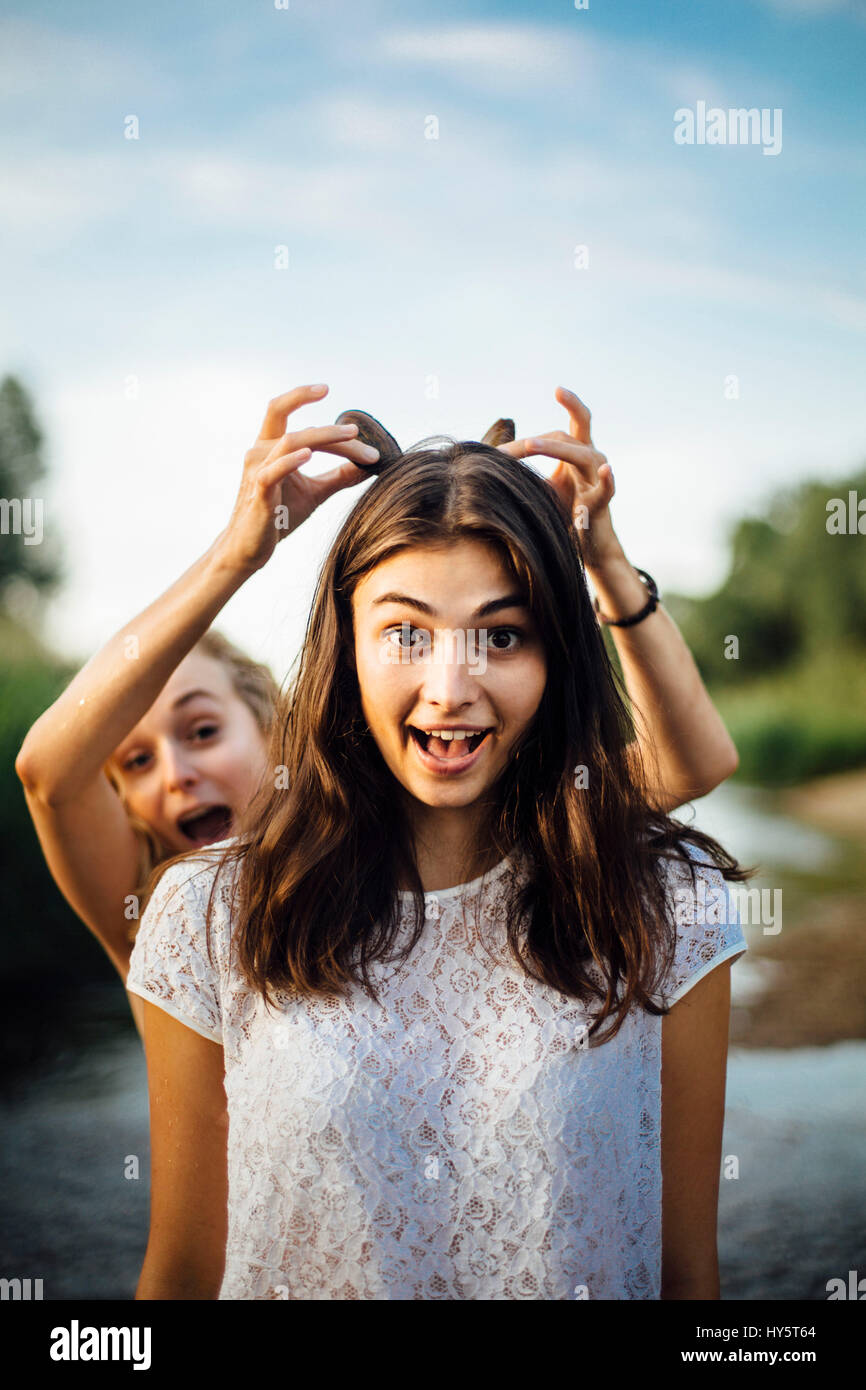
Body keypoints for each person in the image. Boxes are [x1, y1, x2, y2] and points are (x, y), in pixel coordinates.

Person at [123, 384, 751, 1300]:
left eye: (503, 634)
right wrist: (235, 553)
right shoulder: (206, 911)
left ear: (557, 657)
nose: (452, 686)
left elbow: (689, 1279)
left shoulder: (668, 903)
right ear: (347, 646)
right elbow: (179, 1273)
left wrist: (607, 564)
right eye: (406, 632)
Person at [16, 385, 738, 1041]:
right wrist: (236, 555)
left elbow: (687, 765)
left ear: (275, 717)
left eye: (203, 731)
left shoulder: (422, 830)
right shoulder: (173, 909)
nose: (175, 775)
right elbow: (49, 772)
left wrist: (601, 560)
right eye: (134, 760)